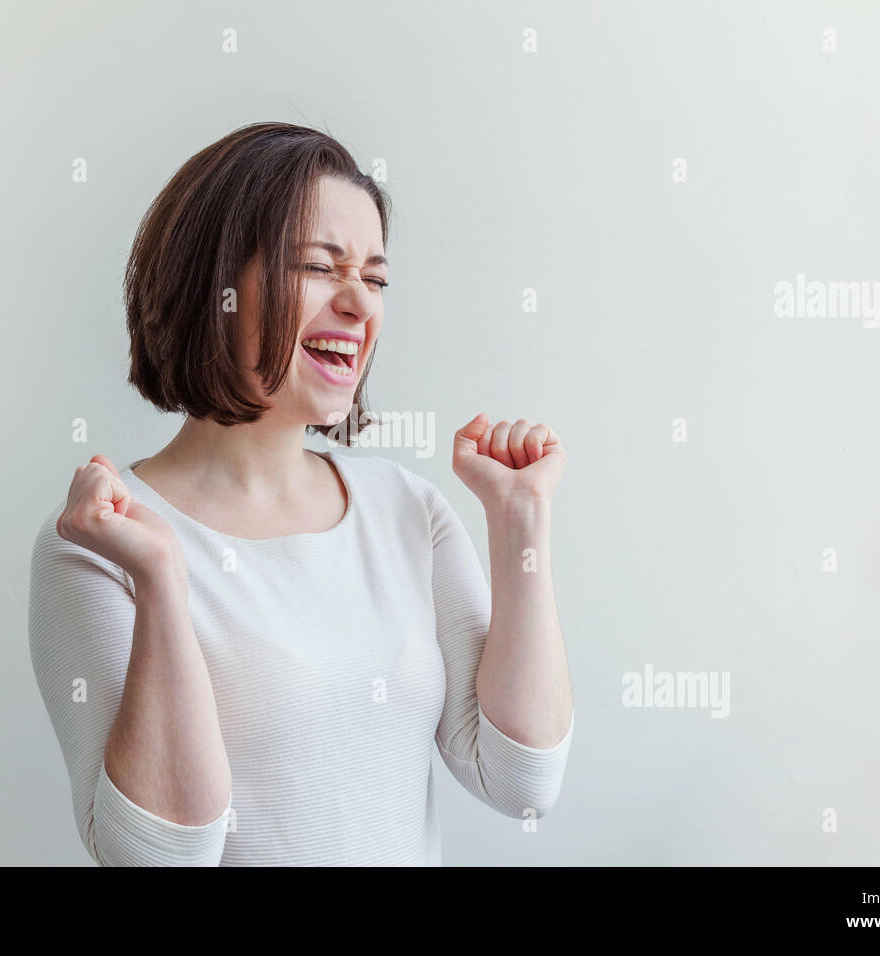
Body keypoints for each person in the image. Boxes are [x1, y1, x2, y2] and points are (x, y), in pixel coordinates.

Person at [28, 121, 575, 865]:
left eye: (375, 279)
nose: (360, 305)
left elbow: (521, 782)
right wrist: (160, 580)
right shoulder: (101, 541)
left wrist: (520, 521)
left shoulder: (408, 510)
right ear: (214, 284)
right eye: (320, 267)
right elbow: (157, 858)